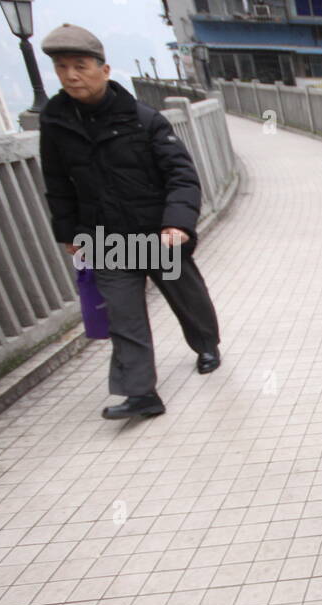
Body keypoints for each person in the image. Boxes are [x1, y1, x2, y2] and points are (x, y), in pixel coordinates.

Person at [38, 24, 222, 420]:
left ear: (104, 70)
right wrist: (70, 232)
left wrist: (178, 224)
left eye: (81, 66)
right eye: (62, 67)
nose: (71, 75)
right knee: (122, 314)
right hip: (105, 238)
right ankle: (141, 393)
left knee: (185, 297)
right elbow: (56, 182)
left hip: (156, 233)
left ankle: (206, 344)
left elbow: (181, 175)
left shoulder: (143, 119)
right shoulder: (55, 123)